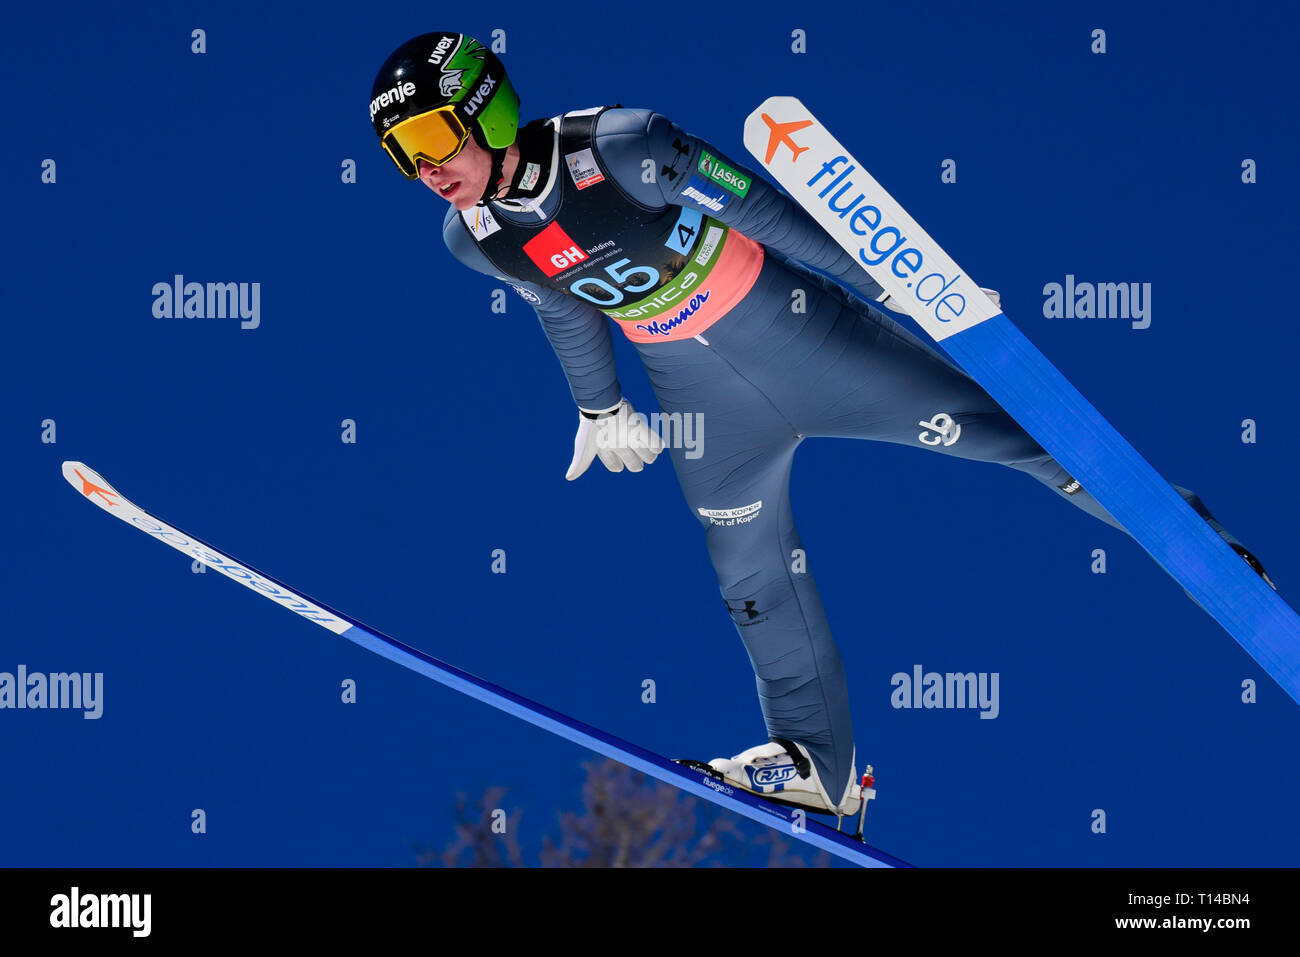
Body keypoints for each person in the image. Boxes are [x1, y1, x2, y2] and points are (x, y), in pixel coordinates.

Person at [369, 32, 1275, 819]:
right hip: (697, 397)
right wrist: (599, 405)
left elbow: (766, 209)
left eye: (427, 139)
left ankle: (1193, 544)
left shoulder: (622, 145)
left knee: (1014, 436)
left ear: (484, 113)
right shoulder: (472, 237)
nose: (424, 170)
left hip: (798, 330)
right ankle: (817, 766)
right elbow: (560, 305)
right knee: (748, 571)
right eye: (399, 155)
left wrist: (901, 285)